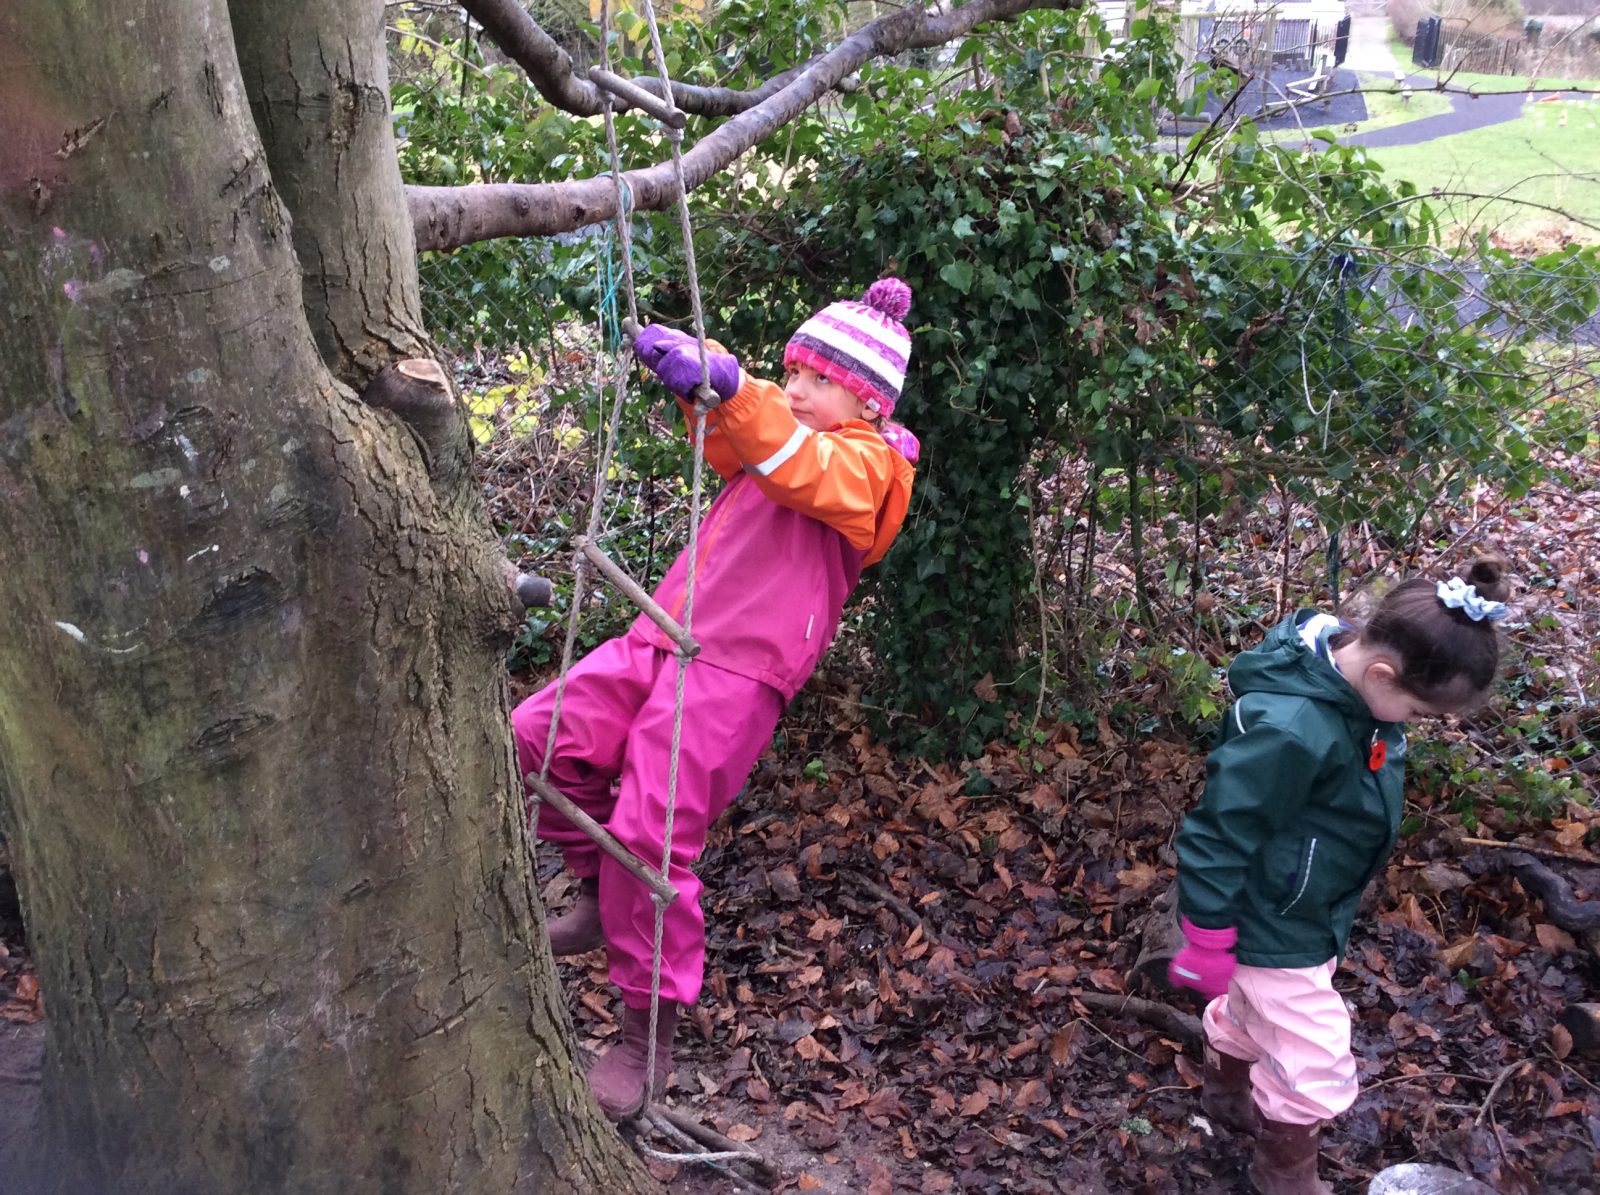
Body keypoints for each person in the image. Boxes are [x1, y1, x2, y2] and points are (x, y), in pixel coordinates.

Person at [513, 278, 920, 1119]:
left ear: (866, 398)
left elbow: (797, 466)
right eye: (792, 373)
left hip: (736, 667)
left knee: (651, 835)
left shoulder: (870, 467)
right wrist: (700, 390)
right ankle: (594, 893)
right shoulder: (788, 430)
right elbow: (741, 444)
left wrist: (737, 388)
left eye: (816, 378)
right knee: (540, 734)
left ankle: (645, 1031)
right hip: (663, 631)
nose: (796, 388)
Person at [1167, 556, 1511, 1195]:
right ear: (1382, 672)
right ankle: (1285, 1177)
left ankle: (1227, 1095)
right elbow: (1218, 832)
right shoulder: (1296, 731)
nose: (1414, 724)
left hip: (1307, 902)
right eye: (1418, 710)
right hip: (1271, 915)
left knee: (1253, 1012)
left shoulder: (1359, 701)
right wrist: (1207, 935)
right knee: (1315, 1055)